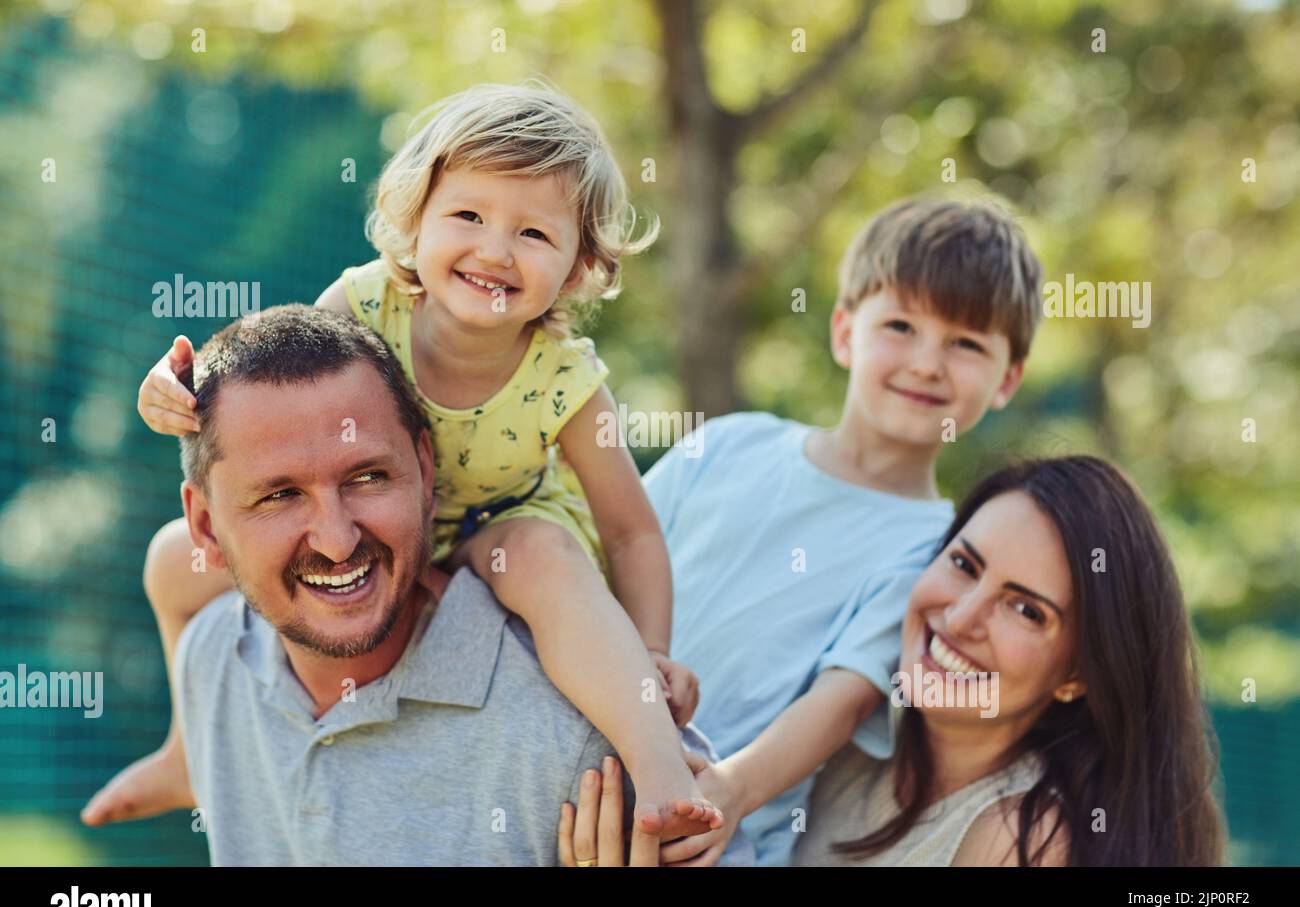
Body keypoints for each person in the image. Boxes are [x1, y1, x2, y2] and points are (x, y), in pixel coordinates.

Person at [84, 81, 719, 841]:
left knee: (543, 556)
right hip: (368, 520)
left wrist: (653, 652)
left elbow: (631, 533)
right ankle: (188, 748)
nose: (494, 249)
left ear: (580, 266)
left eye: (534, 235)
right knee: (167, 563)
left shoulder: (567, 382)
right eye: (469, 216)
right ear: (415, 221)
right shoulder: (362, 303)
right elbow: (281, 382)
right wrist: (176, 386)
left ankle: (662, 772)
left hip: (496, 525)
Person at [111, 304, 741, 865]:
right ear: (205, 525)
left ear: (426, 468)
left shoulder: (592, 735)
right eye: (280, 495)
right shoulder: (210, 660)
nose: (336, 539)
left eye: (366, 478)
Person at [560, 457, 1227, 867]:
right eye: (964, 565)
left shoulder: (1025, 837)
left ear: (1081, 673)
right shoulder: (846, 747)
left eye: (1026, 610)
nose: (961, 618)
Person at [642, 197, 1043, 865]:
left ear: (1008, 380)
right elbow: (620, 553)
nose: (926, 363)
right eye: (900, 326)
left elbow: (845, 697)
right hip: (582, 759)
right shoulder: (731, 444)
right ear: (844, 331)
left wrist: (729, 792)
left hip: (711, 835)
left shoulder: (938, 555)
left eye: (966, 343)